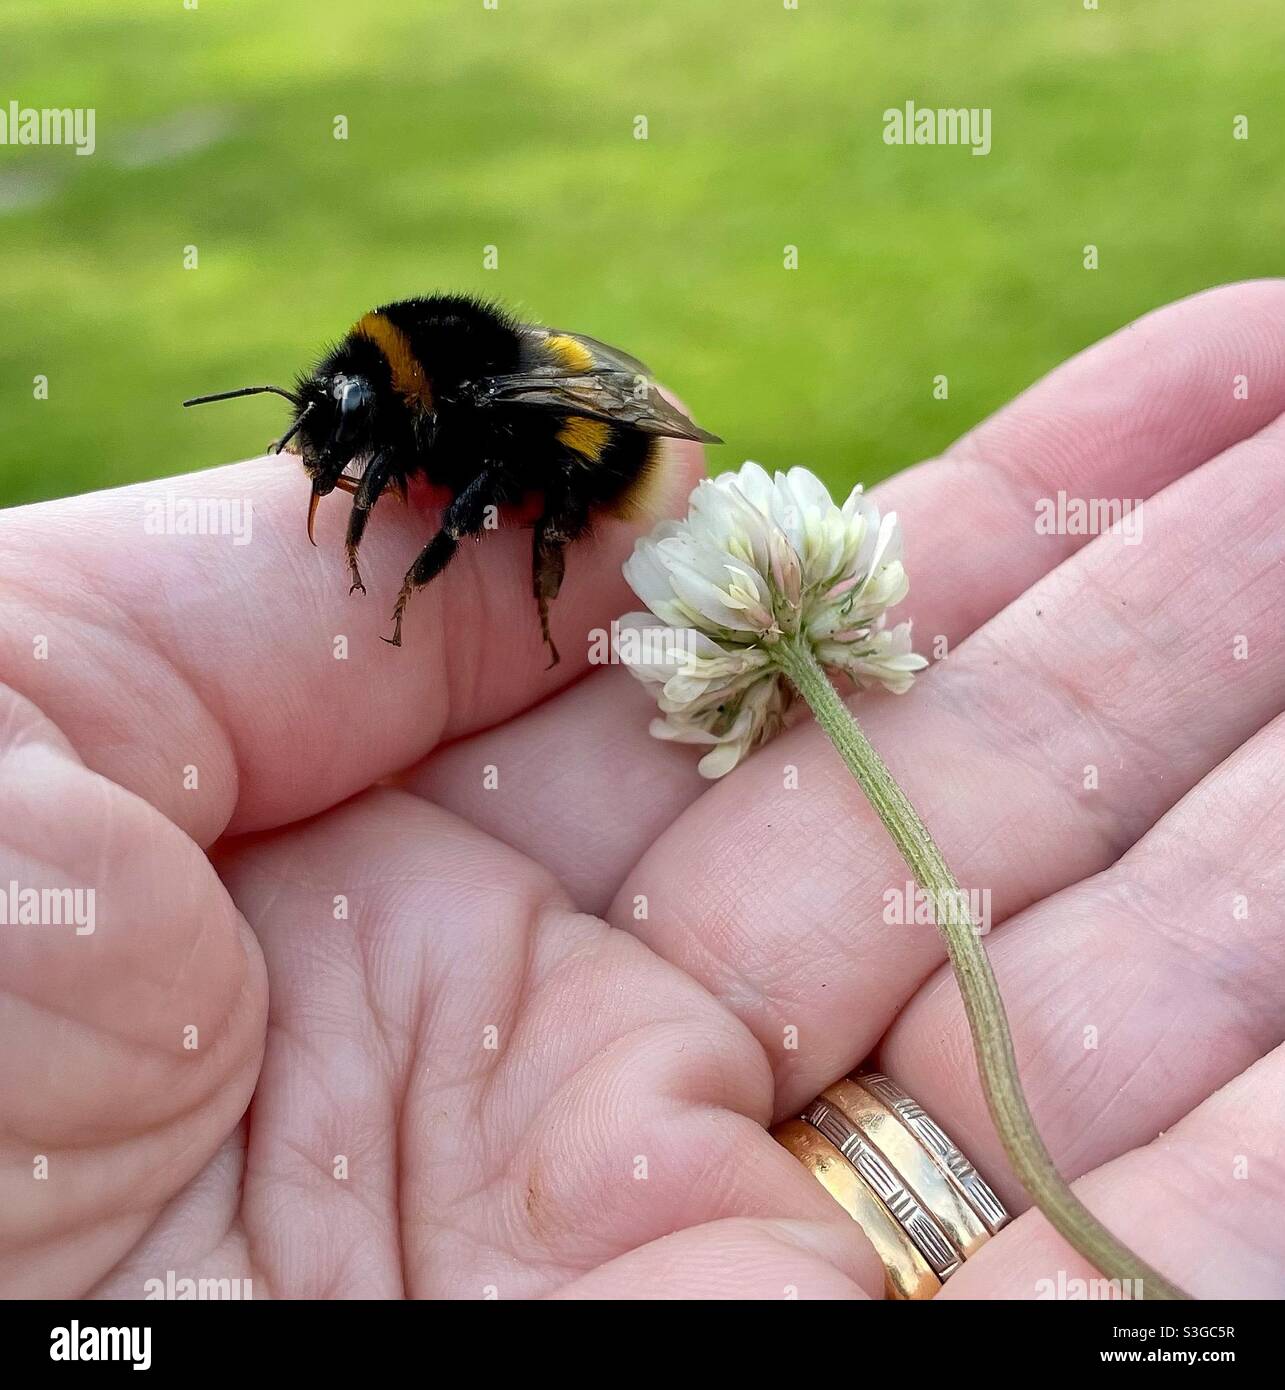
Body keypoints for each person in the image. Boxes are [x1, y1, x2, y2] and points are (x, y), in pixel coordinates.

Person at [2, 281, 1282, 1300]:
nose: (324, 459)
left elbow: (494, 457)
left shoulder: (466, 396)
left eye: (339, 436)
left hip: (582, 455)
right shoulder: (407, 383)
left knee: (517, 486)